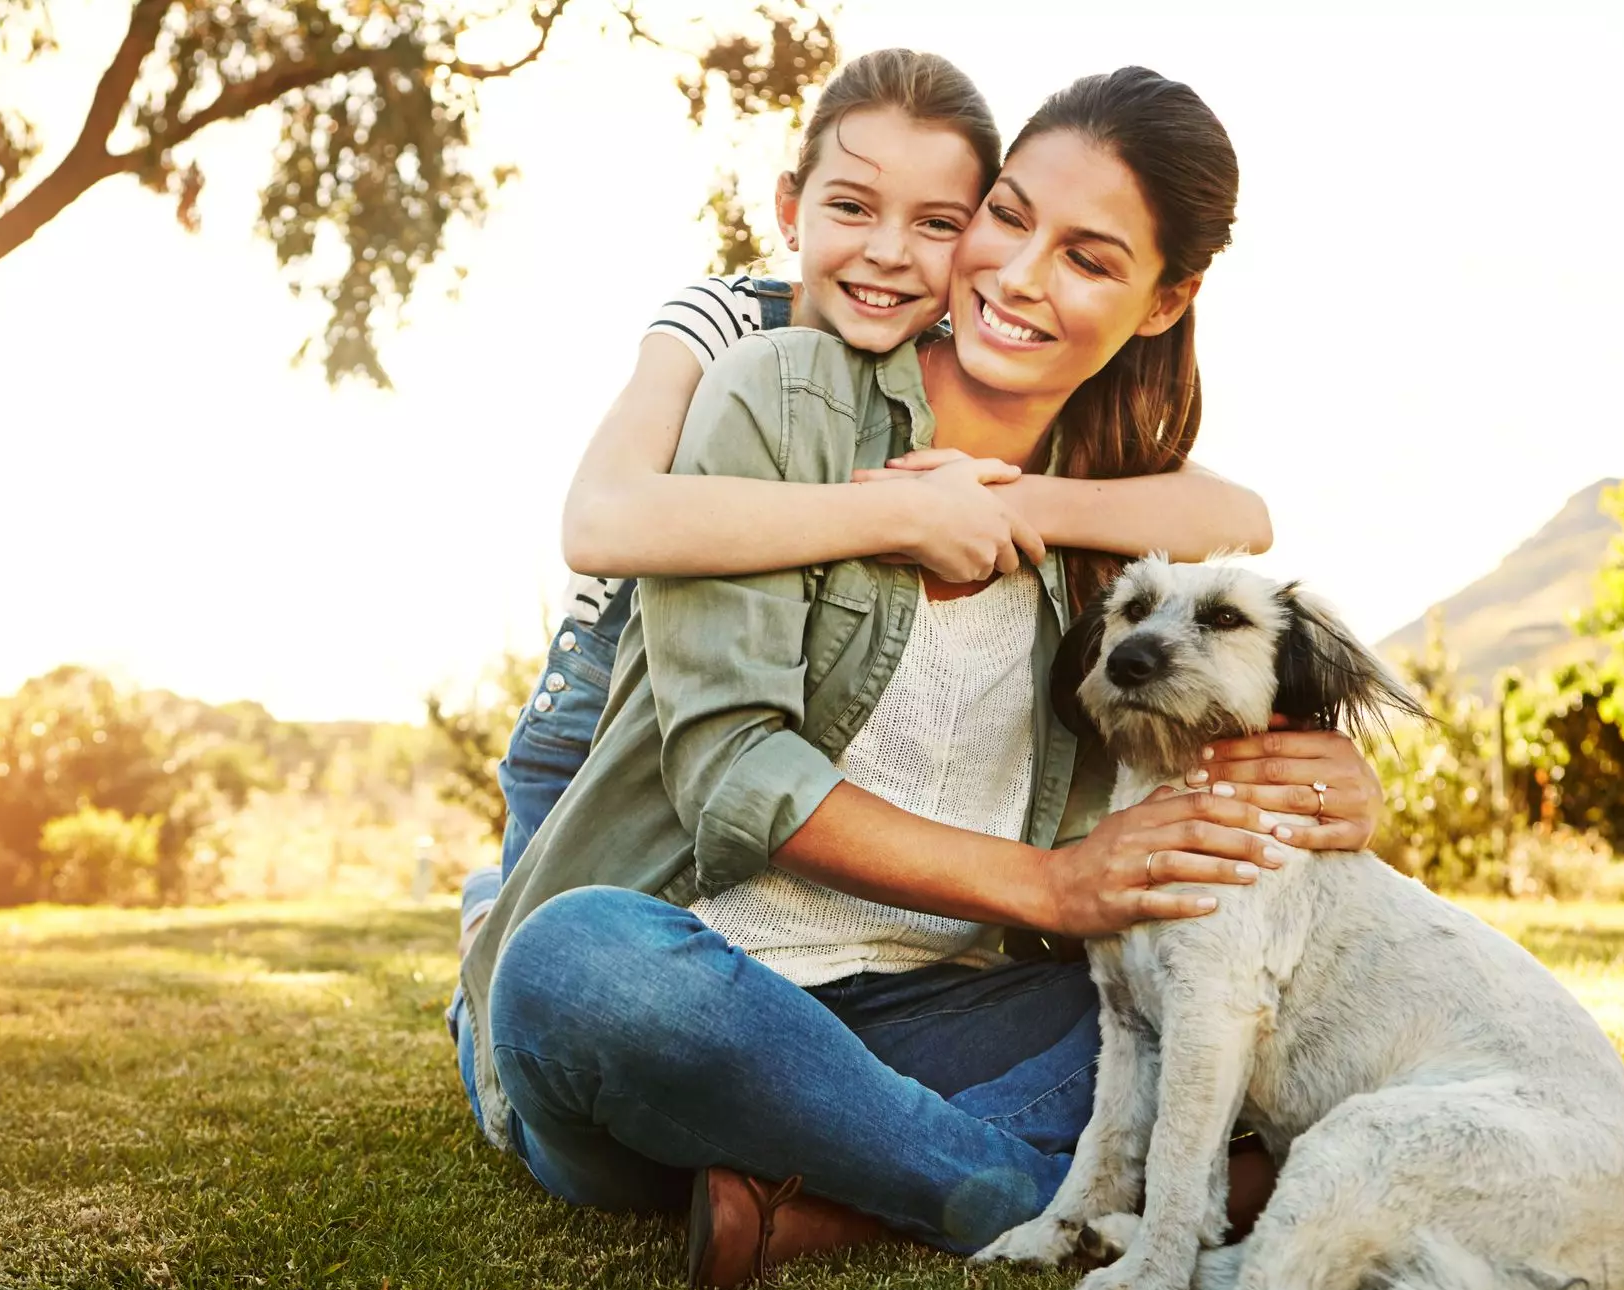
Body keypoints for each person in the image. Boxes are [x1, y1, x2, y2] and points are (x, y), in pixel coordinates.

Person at [454, 63, 1385, 1290]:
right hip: (701, 977)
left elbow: (1229, 618)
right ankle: (1015, 1191)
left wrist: (1327, 784)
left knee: (1300, 1011)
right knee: (576, 968)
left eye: (1092, 260)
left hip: (936, 1015)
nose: (1018, 275)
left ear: (1167, 303)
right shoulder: (776, 394)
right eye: (1008, 216)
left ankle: (838, 1200)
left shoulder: (1125, 520)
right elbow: (734, 774)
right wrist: (1050, 884)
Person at [455, 49, 1274, 958]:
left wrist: (1008, 501)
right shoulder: (732, 324)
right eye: (850, 207)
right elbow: (601, 523)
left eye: (938, 221)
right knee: (547, 934)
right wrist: (902, 516)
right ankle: (490, 930)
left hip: (830, 854)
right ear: (787, 208)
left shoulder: (951, 337)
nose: (889, 250)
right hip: (601, 690)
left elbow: (1237, 517)